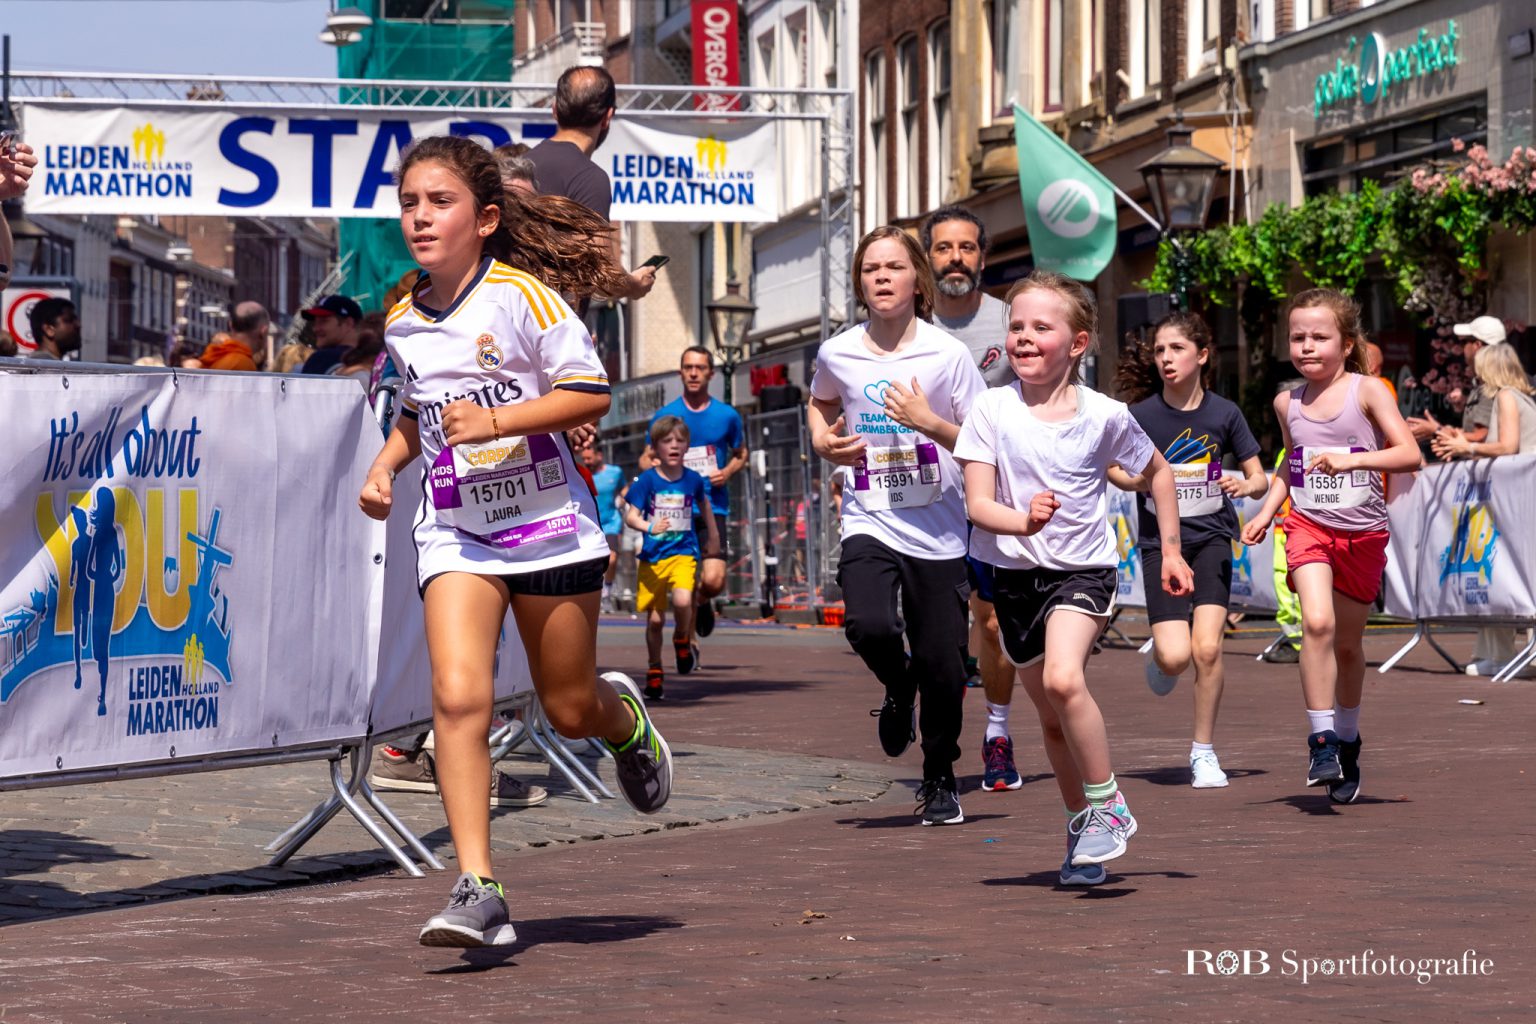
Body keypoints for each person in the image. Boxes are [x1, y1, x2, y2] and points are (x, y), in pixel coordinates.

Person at [357, 134, 672, 948]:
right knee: (459, 698)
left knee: (567, 707)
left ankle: (623, 724)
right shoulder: (403, 317)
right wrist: (386, 466)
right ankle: (478, 887)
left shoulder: (523, 298)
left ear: (487, 218)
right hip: (457, 530)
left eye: (440, 202)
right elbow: (418, 411)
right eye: (409, 204)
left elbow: (589, 393)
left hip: (548, 528)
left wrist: (497, 420)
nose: (420, 218)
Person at [955, 270, 1193, 885]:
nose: (1023, 337)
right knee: (1052, 721)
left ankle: (1108, 804)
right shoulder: (990, 409)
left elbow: (1159, 473)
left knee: (1065, 679)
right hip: (1014, 577)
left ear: (1078, 343)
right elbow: (978, 504)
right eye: (1016, 326)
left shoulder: (1105, 415)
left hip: (1082, 572)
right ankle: (1081, 829)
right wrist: (1023, 522)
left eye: (1041, 327)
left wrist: (1171, 553)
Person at [807, 225, 986, 826]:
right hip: (870, 514)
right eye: (870, 269)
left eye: (894, 267)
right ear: (860, 284)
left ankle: (939, 776)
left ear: (917, 280)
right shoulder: (837, 352)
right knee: (869, 624)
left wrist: (926, 421)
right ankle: (897, 683)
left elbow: (981, 441)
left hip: (939, 528)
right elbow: (821, 401)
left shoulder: (947, 354)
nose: (881, 277)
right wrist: (821, 439)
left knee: (944, 665)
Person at [1241, 289, 1420, 804]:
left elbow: (1409, 454)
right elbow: (1291, 464)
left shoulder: (1368, 392)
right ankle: (1321, 742)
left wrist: (1353, 460)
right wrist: (1267, 511)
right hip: (1309, 526)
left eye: (1319, 337)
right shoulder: (1287, 402)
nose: (1307, 346)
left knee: (1347, 645)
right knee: (1316, 623)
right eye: (1297, 337)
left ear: (1345, 345)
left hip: (1363, 534)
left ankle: (1347, 737)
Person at [1109, 312, 1266, 789]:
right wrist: (1137, 481)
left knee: (1208, 648)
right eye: (1159, 350)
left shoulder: (1225, 413)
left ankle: (1204, 753)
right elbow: (1111, 468)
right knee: (1177, 657)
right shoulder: (1141, 416)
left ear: (1202, 355)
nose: (1166, 358)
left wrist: (1245, 485)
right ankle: (1160, 655)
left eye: (1176, 348)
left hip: (1213, 537)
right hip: (1160, 544)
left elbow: (1259, 478)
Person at [918, 205, 1019, 787]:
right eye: (943, 248)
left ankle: (997, 734)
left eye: (967, 247)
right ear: (926, 258)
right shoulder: (906, 327)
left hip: (993, 498)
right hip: (923, 500)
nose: (956, 258)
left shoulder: (1012, 322)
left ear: (983, 256)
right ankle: (931, 724)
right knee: (935, 633)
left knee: (994, 625)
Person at [1431, 341, 1536, 677]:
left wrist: (1467, 446)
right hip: (1517, 496)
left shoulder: (1506, 396)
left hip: (1517, 498)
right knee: (1506, 574)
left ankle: (1505, 655)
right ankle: (1498, 653)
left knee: (1507, 574)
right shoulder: (1523, 398)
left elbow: (1507, 446)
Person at [643, 348, 747, 648]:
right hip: (676, 510)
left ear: (711, 374)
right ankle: (687, 643)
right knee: (682, 581)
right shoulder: (665, 415)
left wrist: (727, 472)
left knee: (713, 580)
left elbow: (741, 454)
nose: (693, 373)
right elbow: (646, 457)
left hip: (713, 507)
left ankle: (702, 601)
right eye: (688, 367)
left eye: (699, 368)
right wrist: (658, 469)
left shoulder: (727, 415)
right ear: (680, 372)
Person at [527, 65, 655, 304]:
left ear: (554, 111)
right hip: (553, 321)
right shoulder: (589, 178)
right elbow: (603, 276)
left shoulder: (520, 165)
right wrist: (634, 284)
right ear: (607, 117)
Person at [624, 417, 719, 700]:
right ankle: (655, 669)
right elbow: (630, 517)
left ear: (687, 446)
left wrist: (713, 535)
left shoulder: (693, 480)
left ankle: (681, 637)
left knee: (682, 600)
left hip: (683, 552)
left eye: (680, 441)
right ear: (654, 447)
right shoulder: (647, 481)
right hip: (653, 558)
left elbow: (705, 506)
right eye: (667, 441)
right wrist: (649, 526)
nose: (674, 446)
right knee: (654, 621)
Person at [581, 439, 627, 610]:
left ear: (599, 455)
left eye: (589, 458)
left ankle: (607, 590)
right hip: (591, 524)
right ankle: (595, 593)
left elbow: (624, 489)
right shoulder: (582, 474)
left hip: (611, 523)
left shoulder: (615, 472)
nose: (586, 462)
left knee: (612, 558)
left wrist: (623, 498)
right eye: (584, 459)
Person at [299, 294, 363, 375]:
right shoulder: (374, 359)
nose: (315, 329)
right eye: (315, 322)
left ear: (348, 323)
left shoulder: (322, 358)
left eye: (324, 321)